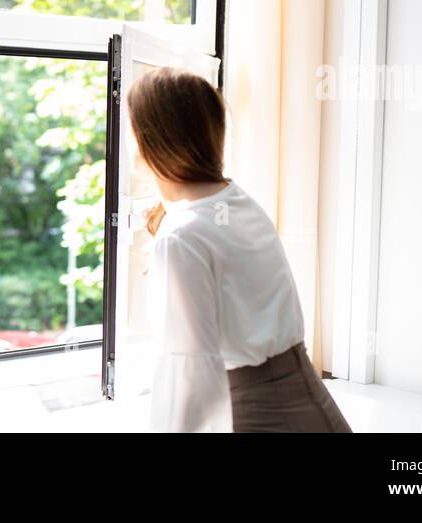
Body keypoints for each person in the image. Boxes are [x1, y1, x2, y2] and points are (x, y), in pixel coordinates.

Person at [129, 68, 352, 432]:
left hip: (256, 414)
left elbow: (191, 377)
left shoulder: (182, 236)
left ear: (147, 141)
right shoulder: (234, 200)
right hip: (309, 404)